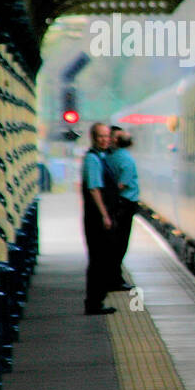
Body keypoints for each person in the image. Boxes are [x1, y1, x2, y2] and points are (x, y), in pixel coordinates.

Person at [82, 123, 117, 315]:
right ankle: (94, 303)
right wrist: (104, 215)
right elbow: (94, 189)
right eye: (101, 137)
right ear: (94, 138)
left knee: (101, 259)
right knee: (98, 260)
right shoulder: (93, 159)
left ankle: (97, 301)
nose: (105, 140)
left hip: (100, 217)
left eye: (107, 136)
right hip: (97, 219)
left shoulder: (100, 157)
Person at [106, 126, 140, 291]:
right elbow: (122, 184)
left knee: (115, 243)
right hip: (125, 204)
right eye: (121, 135)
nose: (127, 136)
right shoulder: (124, 158)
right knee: (120, 243)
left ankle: (114, 277)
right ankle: (115, 279)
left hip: (118, 204)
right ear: (114, 139)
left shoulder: (110, 157)